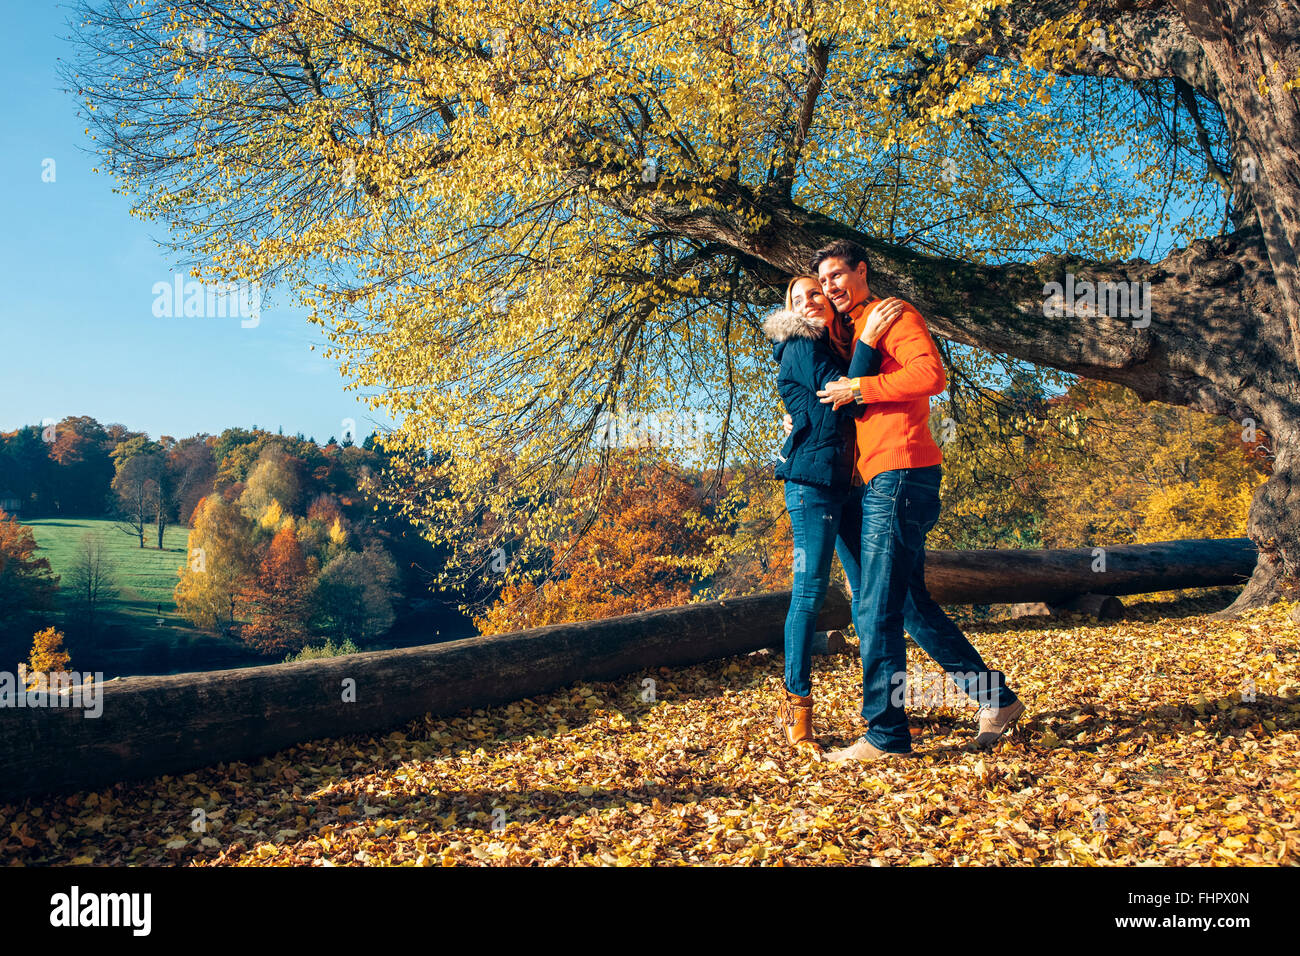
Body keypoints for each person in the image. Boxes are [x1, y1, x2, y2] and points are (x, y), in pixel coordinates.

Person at [809, 239, 1025, 761]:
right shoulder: (856, 328)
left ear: (861, 271)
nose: (832, 287)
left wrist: (860, 389)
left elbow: (931, 375)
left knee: (875, 606)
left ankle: (885, 735)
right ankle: (996, 701)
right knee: (907, 603)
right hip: (885, 476)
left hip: (903, 472)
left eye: (838, 275)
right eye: (824, 281)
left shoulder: (893, 313)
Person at [764, 274, 904, 756]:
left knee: (870, 594)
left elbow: (841, 398)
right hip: (812, 488)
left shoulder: (830, 348)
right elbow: (842, 392)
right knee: (810, 593)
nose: (807, 303)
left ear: (828, 301)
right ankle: (796, 709)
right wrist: (867, 342)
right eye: (797, 299)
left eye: (814, 295)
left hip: (850, 484)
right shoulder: (801, 345)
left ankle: (884, 713)